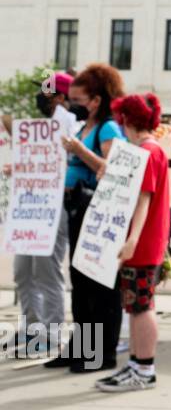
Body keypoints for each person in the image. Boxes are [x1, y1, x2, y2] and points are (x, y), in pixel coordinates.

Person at [46, 63, 126, 372]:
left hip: (97, 213)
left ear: (96, 100)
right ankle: (80, 348)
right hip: (76, 210)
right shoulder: (84, 127)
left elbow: (112, 170)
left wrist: (79, 150)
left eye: (78, 99)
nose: (72, 104)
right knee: (80, 283)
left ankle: (100, 354)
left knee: (98, 285)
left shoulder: (108, 128)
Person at [95, 94, 168, 392]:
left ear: (127, 120)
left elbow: (143, 199)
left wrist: (133, 240)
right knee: (136, 305)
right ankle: (138, 364)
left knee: (141, 306)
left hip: (142, 243)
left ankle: (144, 368)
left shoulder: (148, 152)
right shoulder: (147, 151)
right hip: (142, 242)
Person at [2, 72, 78, 355]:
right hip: (31, 207)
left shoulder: (70, 124)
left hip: (53, 208)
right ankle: (31, 327)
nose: (41, 98)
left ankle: (52, 333)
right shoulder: (43, 128)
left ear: (61, 97)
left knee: (47, 272)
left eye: (47, 93)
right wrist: (21, 168)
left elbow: (65, 162)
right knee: (23, 271)